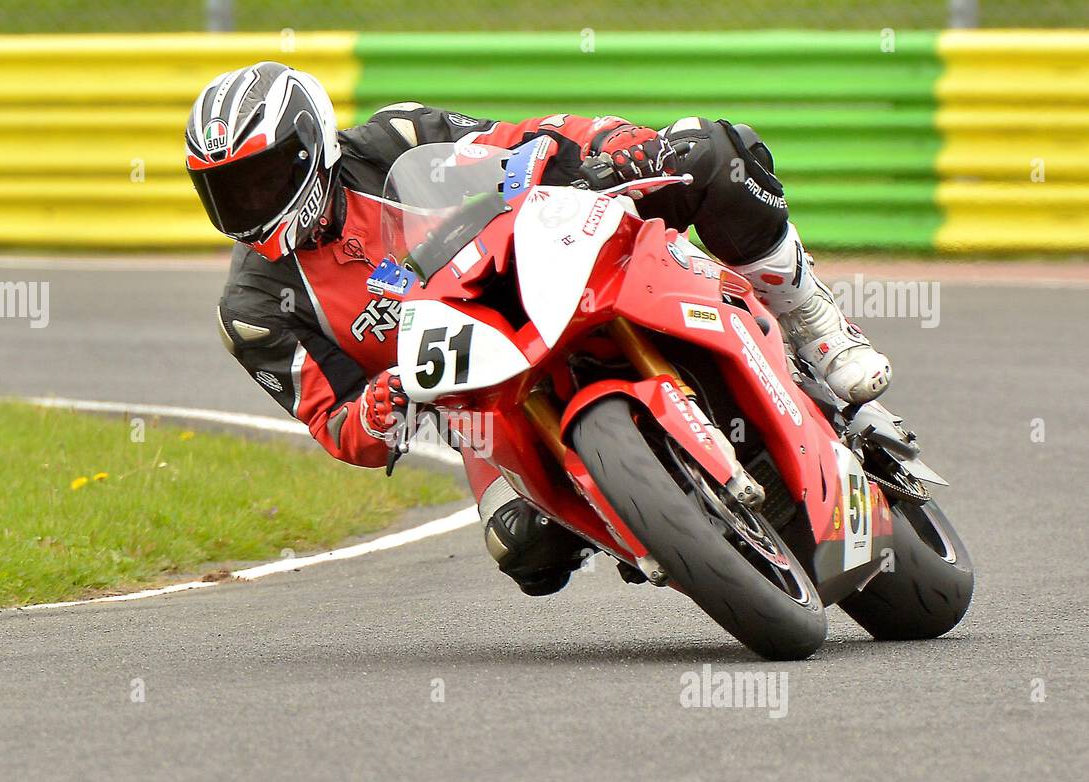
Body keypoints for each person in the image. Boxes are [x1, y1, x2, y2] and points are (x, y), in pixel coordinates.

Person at [186, 62, 892, 595]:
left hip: (541, 271)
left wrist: (618, 147)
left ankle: (815, 323)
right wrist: (375, 411)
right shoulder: (252, 310)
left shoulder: (395, 137)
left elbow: (514, 143)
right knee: (522, 551)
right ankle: (643, 515)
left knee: (711, 155)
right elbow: (335, 422)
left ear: (314, 147)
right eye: (229, 191)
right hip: (480, 395)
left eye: (264, 177)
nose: (252, 203)